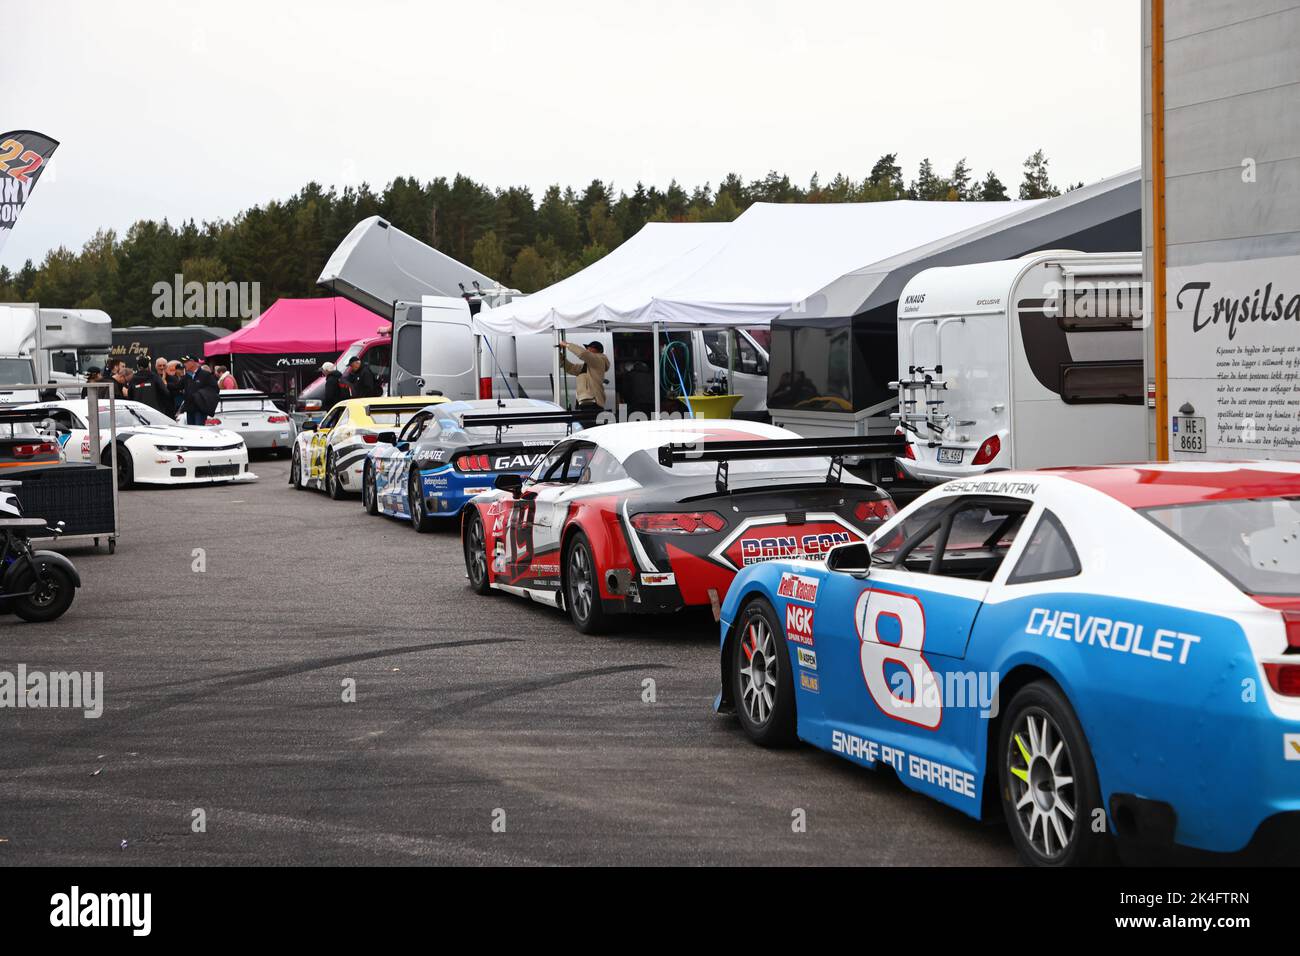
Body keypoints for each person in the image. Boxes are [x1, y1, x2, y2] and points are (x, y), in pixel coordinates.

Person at [561, 340, 610, 414]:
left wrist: (567, 345)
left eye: (589, 348)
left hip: (593, 403)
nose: (587, 350)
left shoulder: (599, 359)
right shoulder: (586, 366)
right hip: (585, 402)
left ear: (598, 350)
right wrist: (560, 354)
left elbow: (583, 353)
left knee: (591, 425)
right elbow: (570, 368)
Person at [179, 355, 219, 426]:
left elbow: (215, 389)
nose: (184, 364)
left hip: (200, 409)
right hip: (189, 409)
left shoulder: (205, 375)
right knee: (191, 430)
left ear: (192, 362)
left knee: (199, 430)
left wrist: (200, 396)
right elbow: (177, 386)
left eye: (186, 362)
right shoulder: (187, 376)